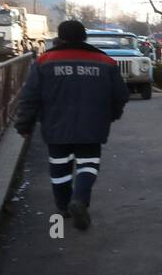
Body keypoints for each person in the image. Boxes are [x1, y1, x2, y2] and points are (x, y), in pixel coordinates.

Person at [14, 19, 130, 231]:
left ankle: (64, 207)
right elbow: (121, 95)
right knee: (88, 164)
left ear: (60, 37)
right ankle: (80, 198)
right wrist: (112, 115)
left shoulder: (44, 61)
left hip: (55, 126)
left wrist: (24, 125)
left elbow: (30, 97)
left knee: (60, 168)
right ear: (84, 36)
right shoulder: (105, 62)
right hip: (93, 126)